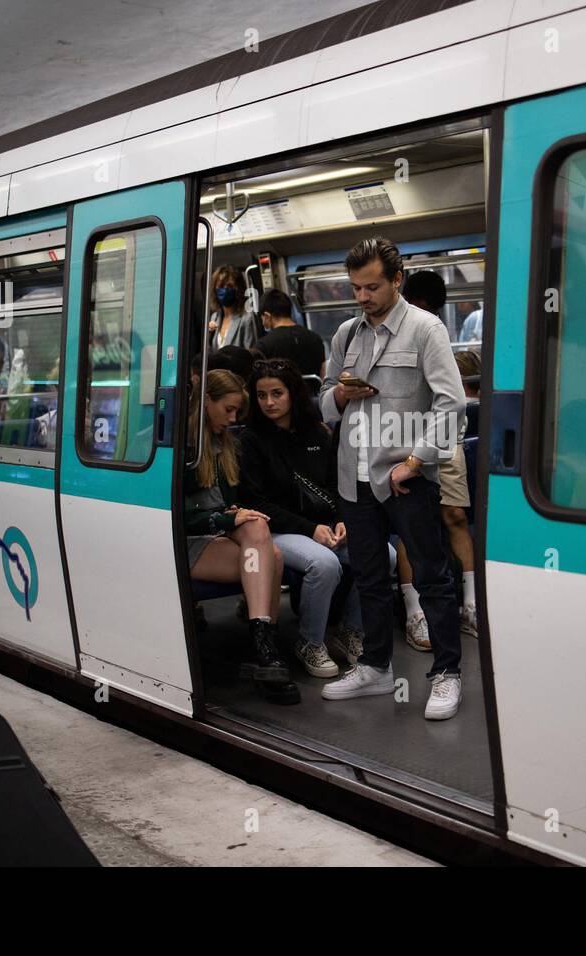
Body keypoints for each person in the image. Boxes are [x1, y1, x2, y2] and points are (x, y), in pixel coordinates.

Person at [317, 237, 466, 720]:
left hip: (406, 477)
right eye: (356, 287)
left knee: (431, 577)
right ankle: (376, 667)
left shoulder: (426, 329)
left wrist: (417, 460)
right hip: (353, 477)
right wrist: (340, 397)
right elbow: (324, 400)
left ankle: (447, 673)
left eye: (372, 287)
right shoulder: (346, 335)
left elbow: (450, 404)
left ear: (397, 280)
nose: (362, 296)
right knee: (369, 577)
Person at [241, 359, 384, 678]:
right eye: (262, 396)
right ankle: (309, 641)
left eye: (277, 393)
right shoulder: (251, 440)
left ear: (293, 394)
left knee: (380, 554)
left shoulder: (318, 433)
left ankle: (351, 631)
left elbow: (337, 484)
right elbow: (257, 502)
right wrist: (310, 529)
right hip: (277, 529)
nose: (269, 403)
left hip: (324, 525)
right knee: (324, 564)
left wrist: (342, 518)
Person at [184, 370, 288, 686]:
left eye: (236, 412)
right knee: (274, 559)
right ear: (205, 402)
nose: (232, 419)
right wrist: (226, 519)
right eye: (227, 409)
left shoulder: (224, 445)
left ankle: (261, 639)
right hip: (185, 540)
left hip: (215, 534)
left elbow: (226, 502)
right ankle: (264, 647)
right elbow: (178, 516)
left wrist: (235, 513)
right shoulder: (183, 448)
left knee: (259, 530)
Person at [396, 271, 479, 648]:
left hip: (446, 438)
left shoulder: (437, 333)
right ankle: (415, 611)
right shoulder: (395, 333)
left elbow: (453, 398)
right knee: (411, 523)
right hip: (406, 437)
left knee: (456, 516)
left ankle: (471, 604)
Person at [255, 290, 325, 378]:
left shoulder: (264, 345)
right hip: (313, 391)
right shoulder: (315, 338)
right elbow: (323, 373)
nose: (263, 323)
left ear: (266, 316)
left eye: (262, 318)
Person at [207, 265, 259, 352]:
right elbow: (210, 351)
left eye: (229, 287)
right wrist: (208, 334)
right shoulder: (215, 317)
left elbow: (251, 355)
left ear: (238, 290)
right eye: (221, 286)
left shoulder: (247, 318)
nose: (225, 290)